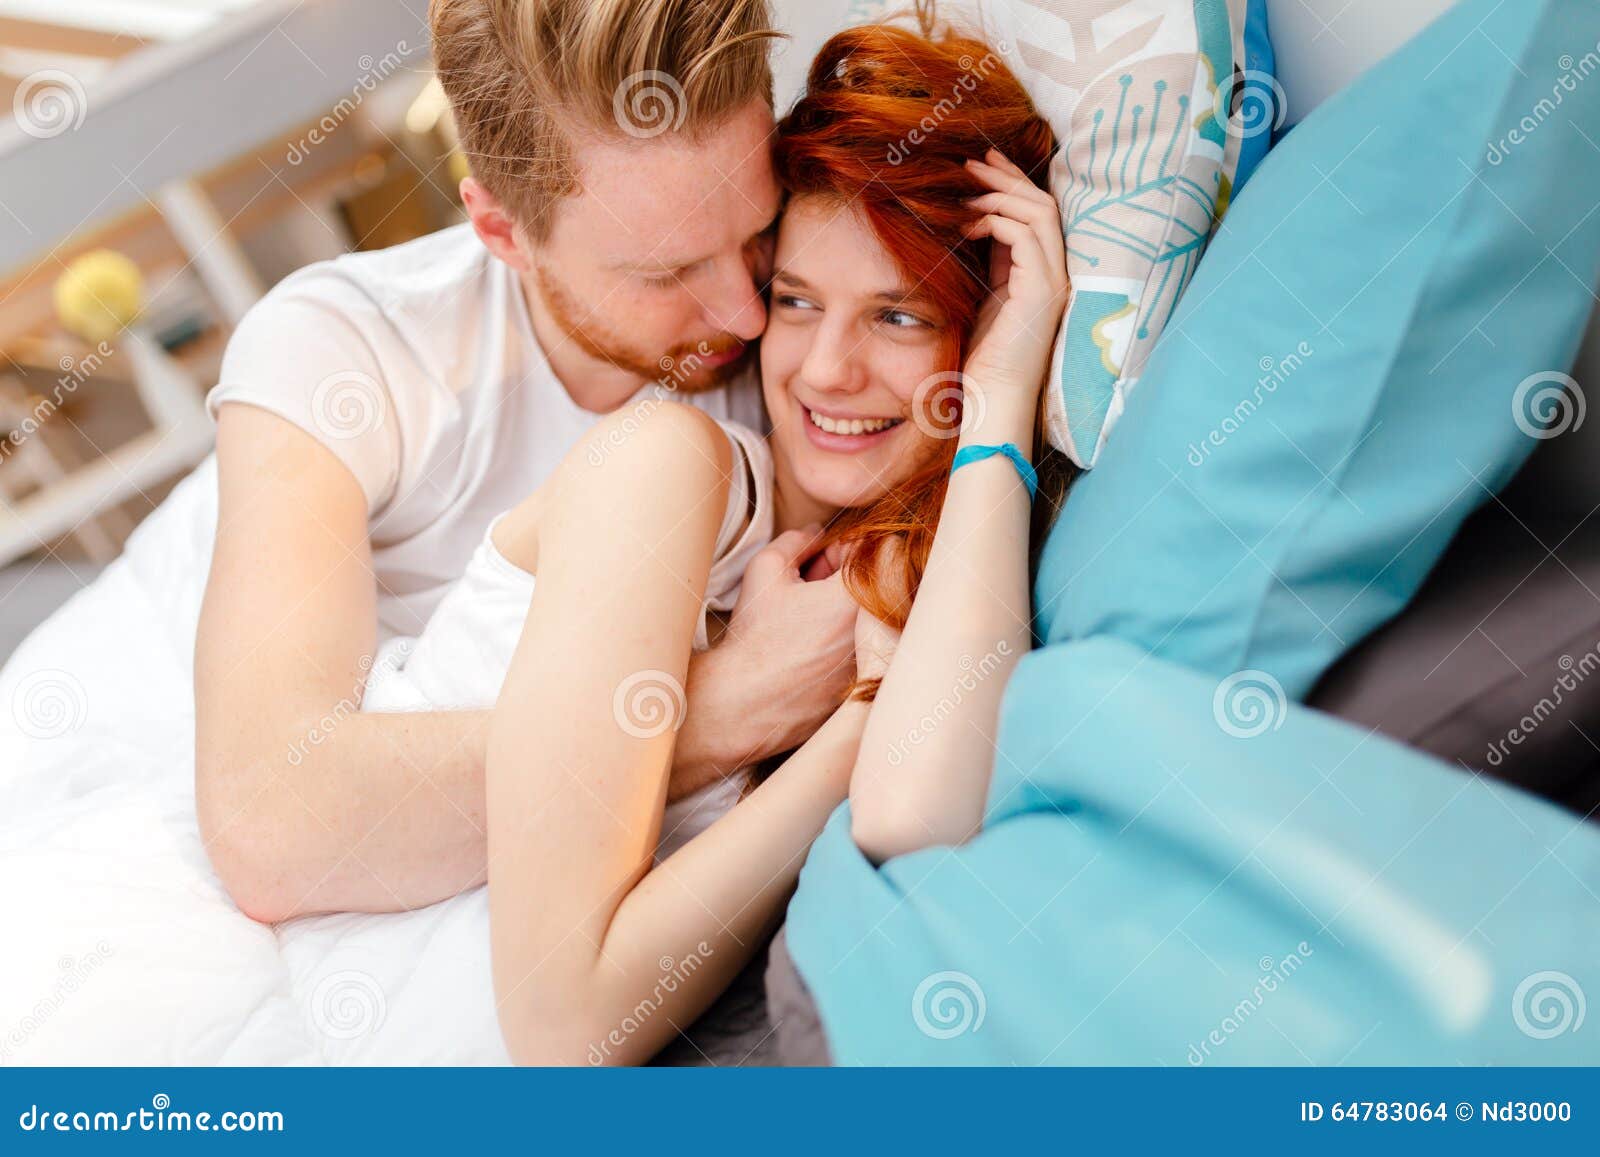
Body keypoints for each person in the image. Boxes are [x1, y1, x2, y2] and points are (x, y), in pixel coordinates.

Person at [469, 19, 1074, 1063]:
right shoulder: (663, 462)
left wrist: (1001, 403)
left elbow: (915, 808)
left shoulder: (906, 561)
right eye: (796, 299)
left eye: (898, 317)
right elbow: (561, 1030)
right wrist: (846, 717)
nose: (823, 368)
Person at [192, 0, 859, 924]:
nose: (749, 314)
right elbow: (275, 828)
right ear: (502, 231)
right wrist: (733, 705)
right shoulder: (353, 351)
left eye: (758, 231)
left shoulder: (813, 334)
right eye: (667, 273)